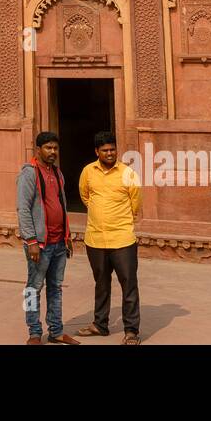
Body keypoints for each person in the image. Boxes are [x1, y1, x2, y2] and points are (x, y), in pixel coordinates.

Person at [77, 131, 143, 345]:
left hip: (122, 239)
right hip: (95, 239)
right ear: (97, 151)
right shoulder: (88, 171)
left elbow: (136, 203)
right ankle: (100, 324)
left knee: (128, 285)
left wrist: (118, 219)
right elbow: (85, 196)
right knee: (101, 284)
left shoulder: (128, 173)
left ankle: (131, 331)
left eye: (112, 149)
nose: (109, 153)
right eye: (104, 150)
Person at [15, 131, 78, 345]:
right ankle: (34, 332)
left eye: (55, 148)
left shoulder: (57, 173)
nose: (53, 152)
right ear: (38, 150)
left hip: (58, 242)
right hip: (39, 244)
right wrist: (31, 240)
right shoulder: (29, 174)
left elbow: (61, 205)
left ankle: (56, 331)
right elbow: (23, 209)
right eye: (48, 148)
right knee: (33, 288)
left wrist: (67, 235)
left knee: (56, 287)